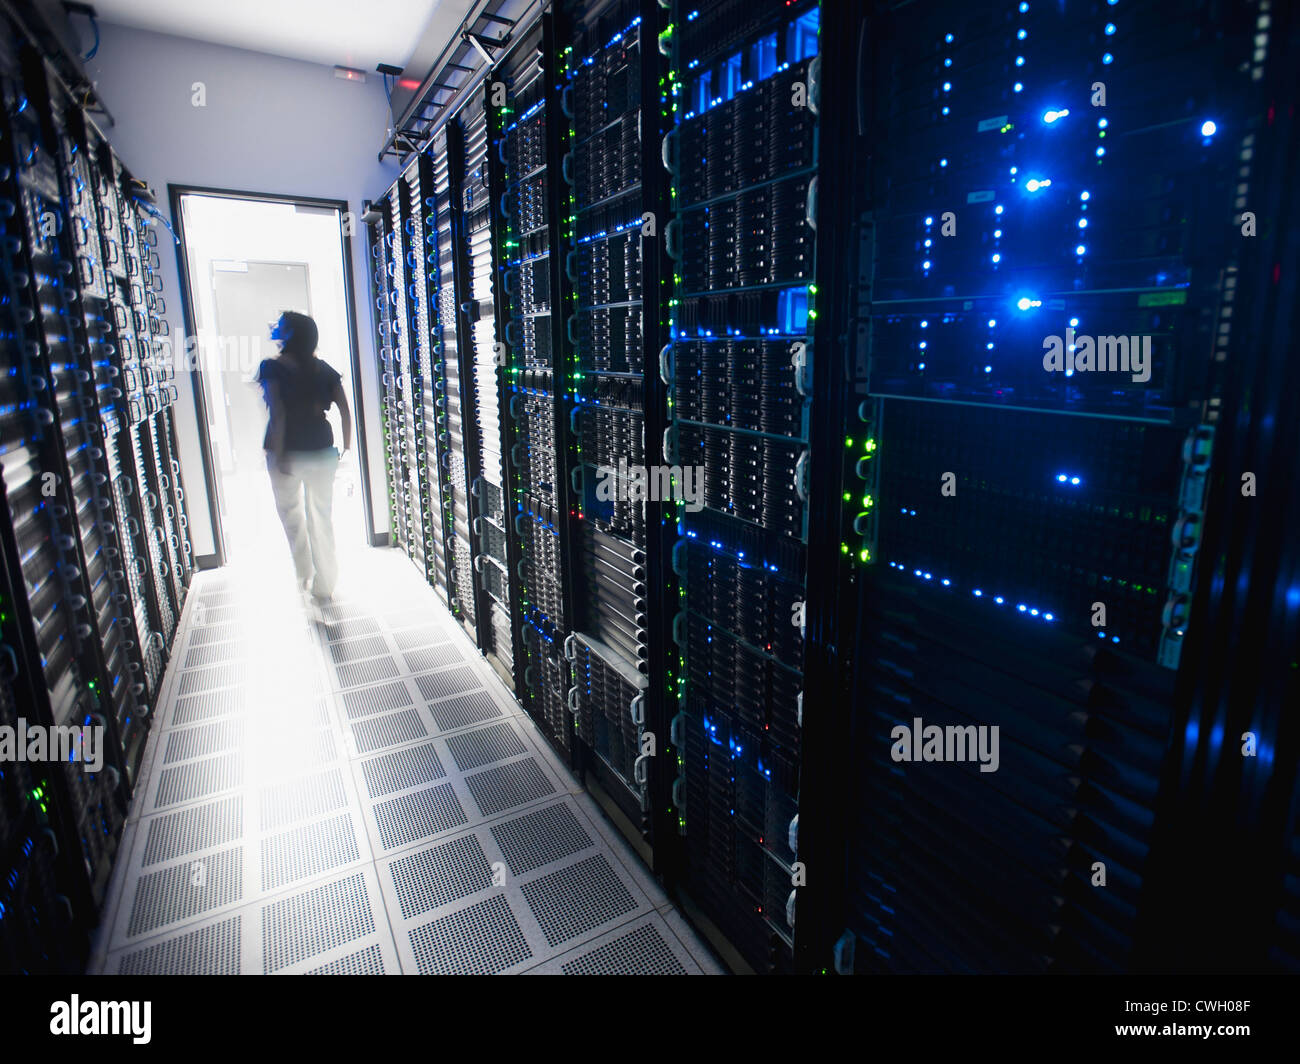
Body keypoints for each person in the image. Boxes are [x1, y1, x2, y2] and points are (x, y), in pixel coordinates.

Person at [256, 311, 352, 602]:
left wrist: (282, 452)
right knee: (321, 517)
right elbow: (345, 410)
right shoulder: (324, 369)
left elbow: (278, 412)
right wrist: (345, 448)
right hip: (322, 451)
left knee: (292, 517)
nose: (275, 327)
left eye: (281, 326)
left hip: (288, 453)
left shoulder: (272, 368)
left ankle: (305, 573)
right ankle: (326, 582)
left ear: (289, 334)